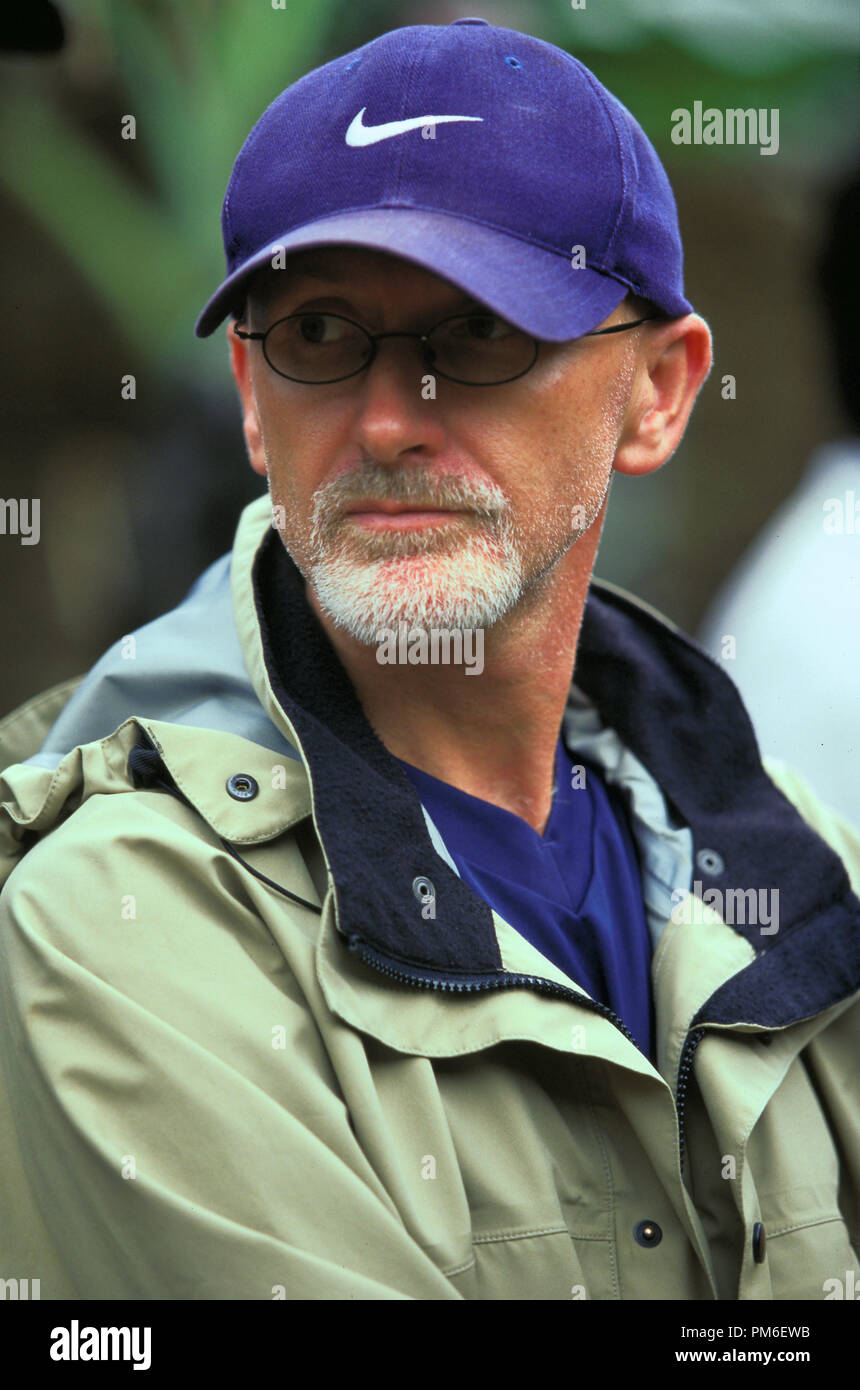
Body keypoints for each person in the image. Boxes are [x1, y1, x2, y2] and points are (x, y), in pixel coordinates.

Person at [0, 18, 857, 1302]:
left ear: (660, 392)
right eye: (320, 337)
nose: (390, 419)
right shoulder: (117, 914)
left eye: (479, 336)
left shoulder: (791, 861)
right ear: (247, 393)